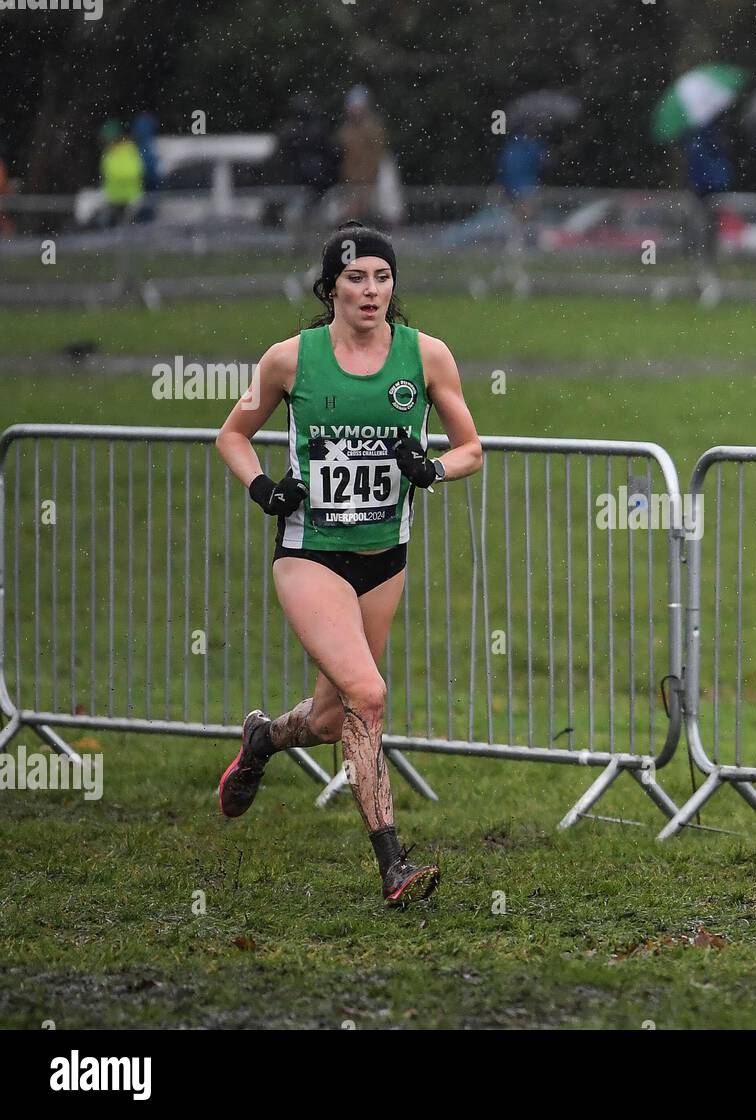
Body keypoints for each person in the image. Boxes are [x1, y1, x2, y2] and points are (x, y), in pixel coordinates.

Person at [214, 220, 483, 905]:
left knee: (335, 719)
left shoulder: (427, 357)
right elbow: (233, 435)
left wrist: (430, 470)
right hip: (309, 553)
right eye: (356, 277)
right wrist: (265, 490)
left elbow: (471, 449)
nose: (371, 291)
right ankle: (394, 864)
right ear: (330, 286)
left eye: (382, 277)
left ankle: (263, 741)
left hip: (383, 556)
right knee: (370, 694)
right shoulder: (289, 359)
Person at [336, 86, 388, 225]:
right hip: (351, 182)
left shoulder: (372, 129)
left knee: (367, 218)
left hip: (367, 183)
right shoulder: (346, 130)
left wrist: (367, 179)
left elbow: (374, 157)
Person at [97, 120, 143, 227]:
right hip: (113, 200)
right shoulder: (109, 152)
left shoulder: (127, 150)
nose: (105, 142)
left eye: (106, 139)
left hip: (129, 200)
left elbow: (132, 172)